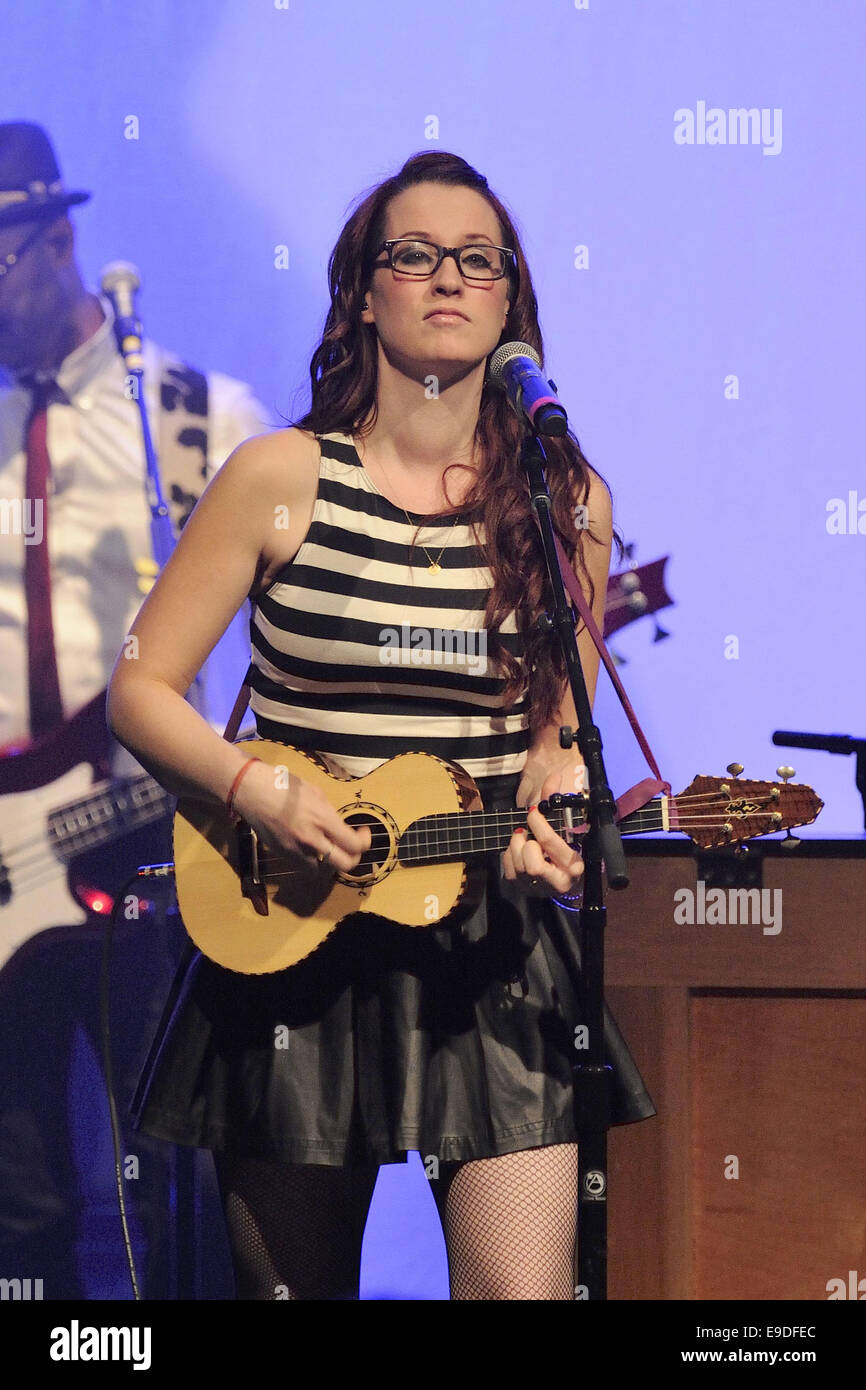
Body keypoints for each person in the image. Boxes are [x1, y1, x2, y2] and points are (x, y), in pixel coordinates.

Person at [107, 149, 655, 1302]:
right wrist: (256, 790)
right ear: (363, 291)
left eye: (476, 259)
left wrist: (544, 824)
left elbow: (558, 741)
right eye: (413, 255)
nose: (446, 278)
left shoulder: (567, 501)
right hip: (293, 937)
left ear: (511, 298)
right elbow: (141, 691)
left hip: (491, 951)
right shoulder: (277, 476)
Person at [0, 121, 271, 1298]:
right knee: (19, 1197)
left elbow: (297, 616)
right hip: (12, 859)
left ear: (58, 241)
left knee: (181, 1174)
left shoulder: (198, 415)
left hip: (150, 843)